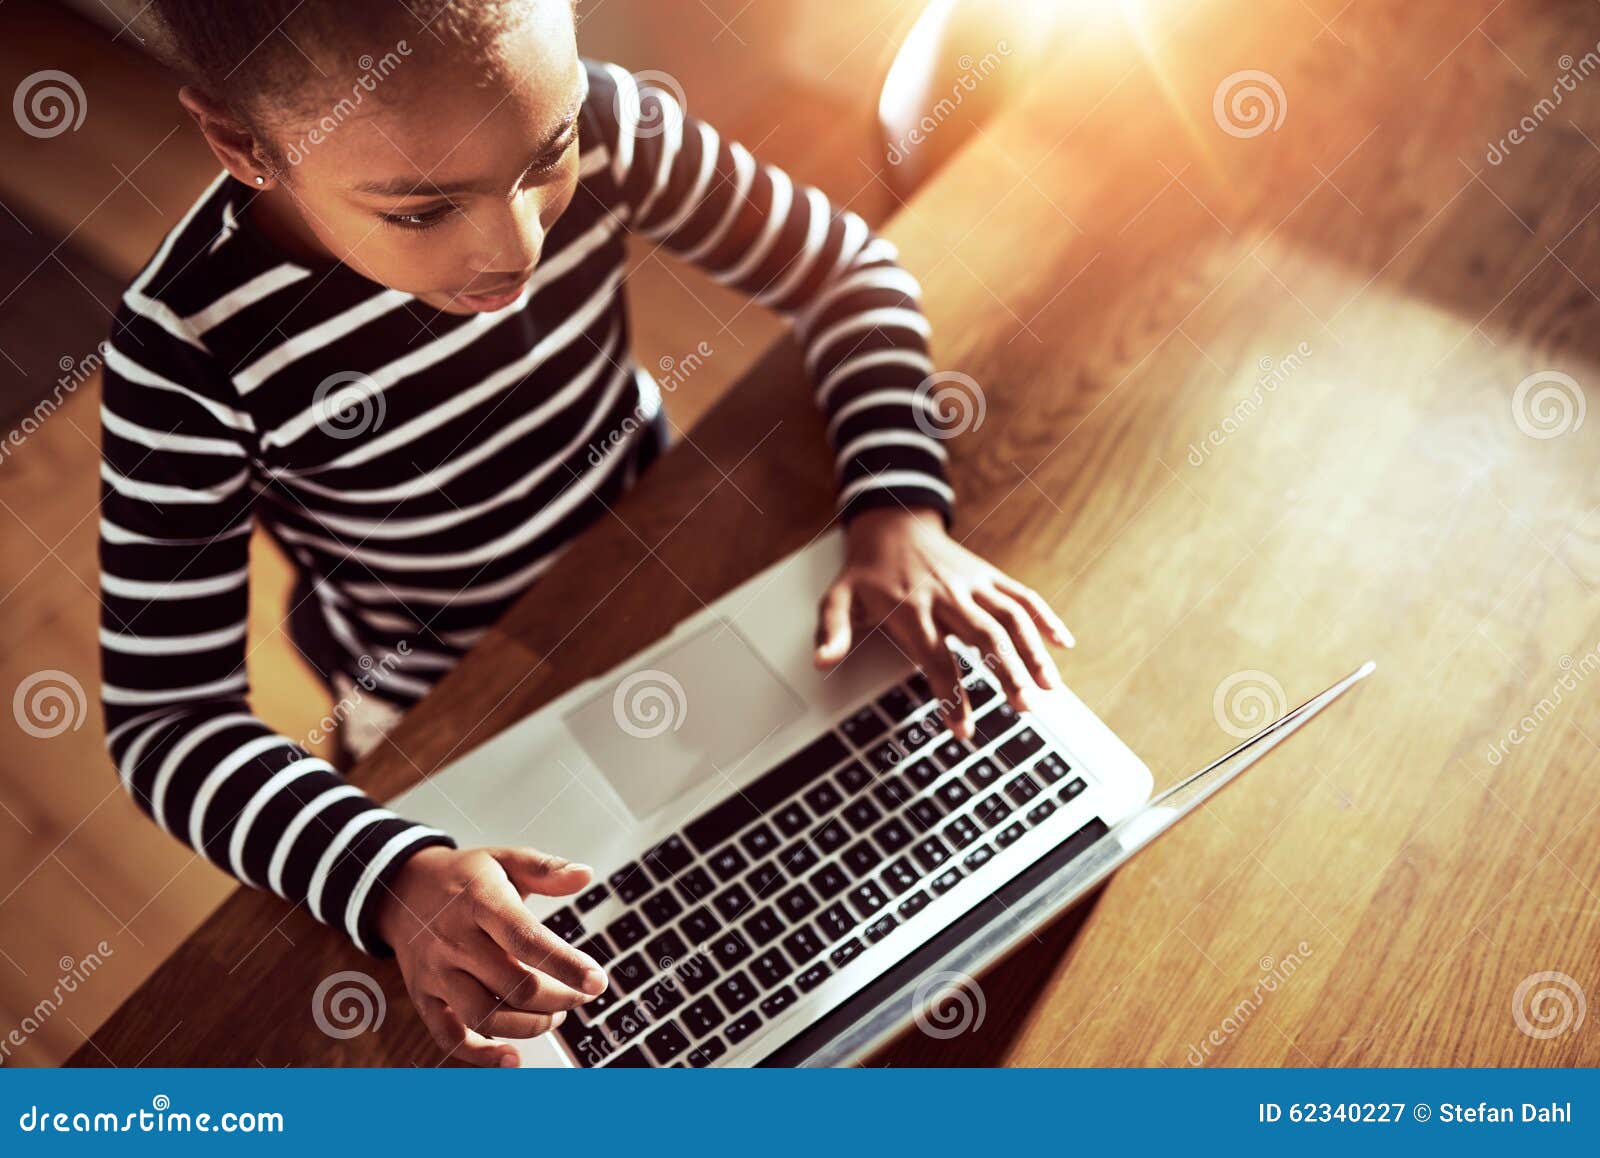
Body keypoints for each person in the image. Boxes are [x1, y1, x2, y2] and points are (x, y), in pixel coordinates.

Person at [101, 0, 1072, 1066]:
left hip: (666, 565)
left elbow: (848, 271)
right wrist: (389, 877)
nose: (514, 247)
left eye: (545, 156)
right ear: (244, 145)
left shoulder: (606, 118)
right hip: (441, 692)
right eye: (421, 213)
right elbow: (167, 721)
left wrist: (898, 503)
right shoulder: (185, 351)